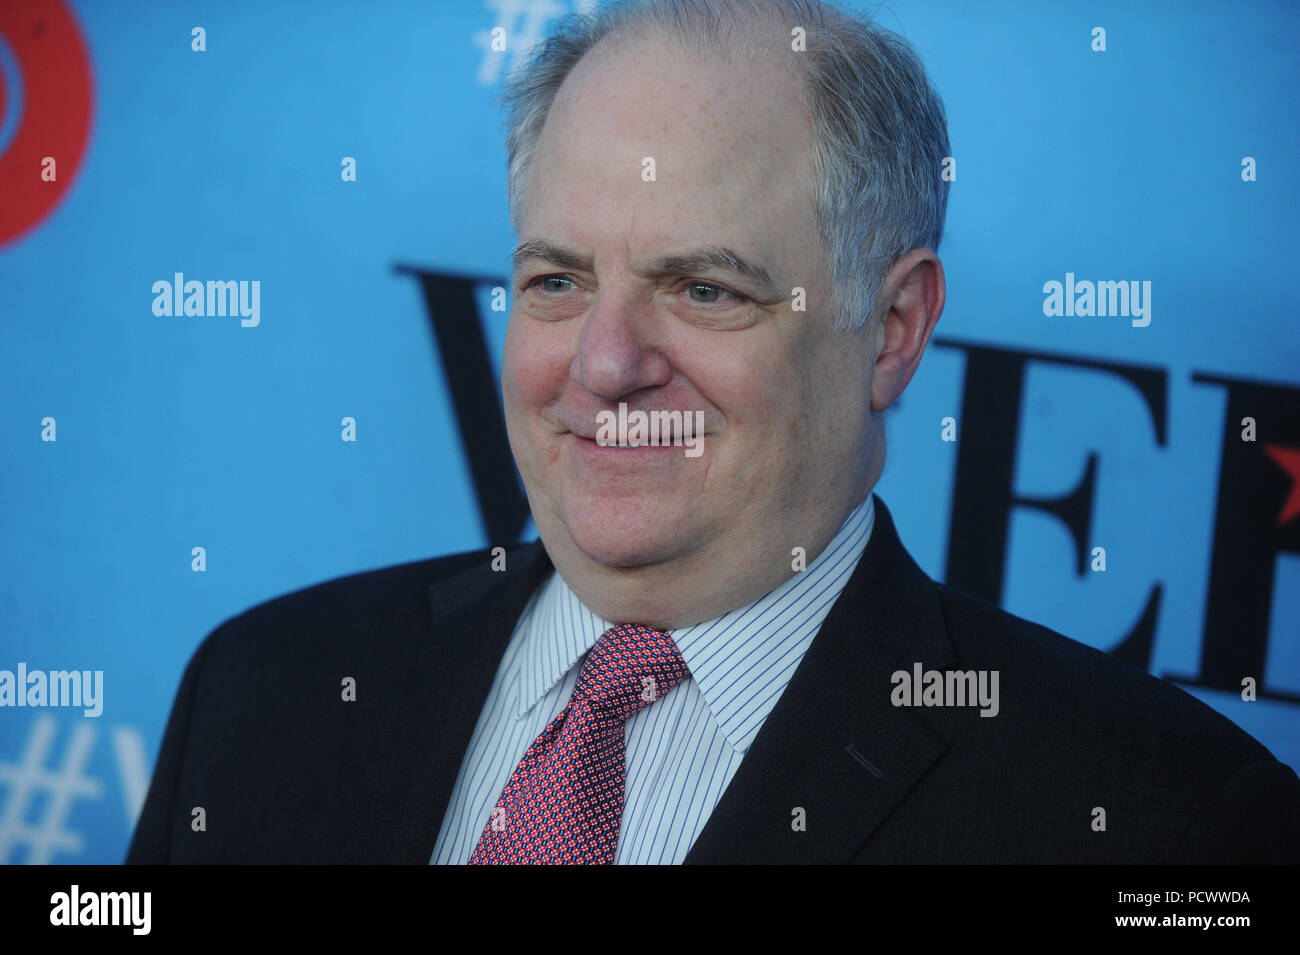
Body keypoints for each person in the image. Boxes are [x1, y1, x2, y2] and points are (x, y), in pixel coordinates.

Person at [126, 0, 1300, 864]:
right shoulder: (262, 688)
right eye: (555, 281)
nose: (603, 363)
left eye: (704, 290)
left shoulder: (1167, 826)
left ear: (890, 326)